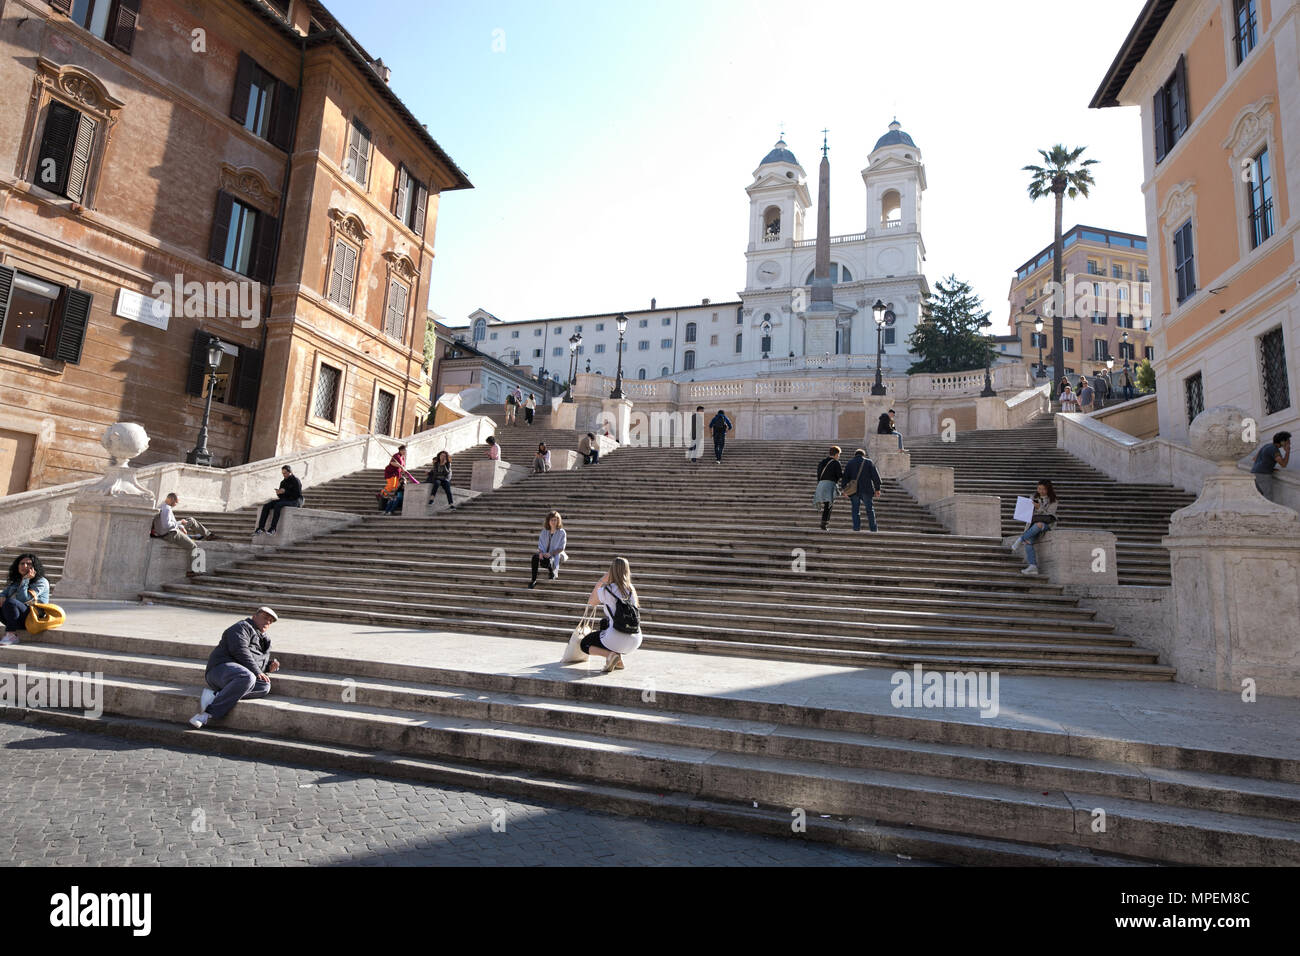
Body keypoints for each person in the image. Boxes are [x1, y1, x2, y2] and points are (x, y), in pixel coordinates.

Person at [188, 607, 281, 729]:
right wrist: (257, 671)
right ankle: (206, 714)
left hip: (239, 676)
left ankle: (216, 695)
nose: (267, 622)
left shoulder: (265, 640)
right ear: (254, 617)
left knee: (264, 686)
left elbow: (256, 661)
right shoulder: (241, 627)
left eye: (270, 621)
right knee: (247, 677)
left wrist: (268, 667)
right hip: (219, 669)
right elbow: (239, 650)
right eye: (265, 618)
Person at [581, 557, 643, 673]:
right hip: (635, 639)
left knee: (584, 644)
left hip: (616, 639)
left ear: (611, 571)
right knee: (604, 622)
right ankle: (618, 661)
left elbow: (591, 602)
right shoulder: (631, 590)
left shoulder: (607, 590)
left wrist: (601, 580)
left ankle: (611, 655)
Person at [1011, 480, 1059, 576]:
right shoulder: (1033, 497)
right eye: (1039, 488)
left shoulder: (1054, 500)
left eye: (1043, 489)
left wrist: (1039, 508)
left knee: (1039, 524)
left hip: (1047, 524)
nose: (1041, 491)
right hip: (1032, 524)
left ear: (1048, 489)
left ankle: (1020, 539)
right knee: (1028, 542)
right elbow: (1028, 512)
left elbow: (1050, 514)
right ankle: (1033, 566)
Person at [1, 554, 50, 646]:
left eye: (29, 564)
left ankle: (11, 635)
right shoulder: (17, 581)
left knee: (10, 602)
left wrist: (26, 580)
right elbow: (4, 592)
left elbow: (23, 599)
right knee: (6, 601)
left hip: (33, 618)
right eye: (22, 563)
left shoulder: (41, 582)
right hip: (17, 617)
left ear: (34, 567)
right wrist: (2, 596)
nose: (25, 566)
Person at [153, 492, 215, 564]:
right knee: (194, 546)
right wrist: (179, 523)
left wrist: (180, 524)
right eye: (176, 502)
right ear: (171, 499)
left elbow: (167, 523)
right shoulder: (166, 509)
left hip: (170, 531)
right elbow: (166, 525)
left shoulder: (163, 506)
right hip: (171, 534)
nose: (176, 504)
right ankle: (193, 569)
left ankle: (207, 535)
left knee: (191, 520)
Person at [841, 448, 883, 532]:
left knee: (855, 510)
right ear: (863, 455)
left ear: (855, 455)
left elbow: (845, 477)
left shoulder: (850, 463)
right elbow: (875, 476)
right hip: (866, 489)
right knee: (870, 510)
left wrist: (844, 490)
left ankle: (856, 528)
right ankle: (873, 529)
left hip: (854, 491)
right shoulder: (868, 462)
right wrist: (877, 489)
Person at [255, 465, 303, 535]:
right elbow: (281, 497)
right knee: (267, 505)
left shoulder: (296, 480)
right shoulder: (283, 482)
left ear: (290, 472)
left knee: (278, 505)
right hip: (286, 500)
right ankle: (261, 528)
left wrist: (285, 491)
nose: (284, 475)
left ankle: (273, 529)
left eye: (285, 473)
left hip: (296, 501)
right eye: (283, 473)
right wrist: (279, 493)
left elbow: (297, 494)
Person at [529, 511, 568, 588]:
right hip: (544, 552)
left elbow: (561, 547)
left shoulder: (562, 532)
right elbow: (540, 544)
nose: (553, 522)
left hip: (556, 554)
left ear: (558, 521)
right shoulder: (544, 531)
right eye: (551, 520)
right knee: (535, 557)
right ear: (548, 521)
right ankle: (533, 580)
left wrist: (550, 553)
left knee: (548, 560)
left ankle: (551, 572)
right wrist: (541, 553)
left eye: (555, 520)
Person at [1251, 431, 1292, 502]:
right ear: (1282, 442)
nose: (1289, 443)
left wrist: (1269, 466)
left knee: (1258, 496)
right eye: (1288, 441)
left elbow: (1255, 459)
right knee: (1268, 496)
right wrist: (1287, 452)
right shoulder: (1274, 450)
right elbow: (1283, 464)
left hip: (1255, 472)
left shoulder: (1267, 446)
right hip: (1263, 475)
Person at [814, 445, 844, 531]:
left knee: (826, 505)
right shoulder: (836, 463)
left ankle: (824, 523)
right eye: (839, 454)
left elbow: (818, 474)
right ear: (836, 454)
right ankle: (824, 524)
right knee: (828, 505)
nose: (839, 456)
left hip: (821, 484)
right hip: (830, 485)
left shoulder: (822, 462)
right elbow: (839, 475)